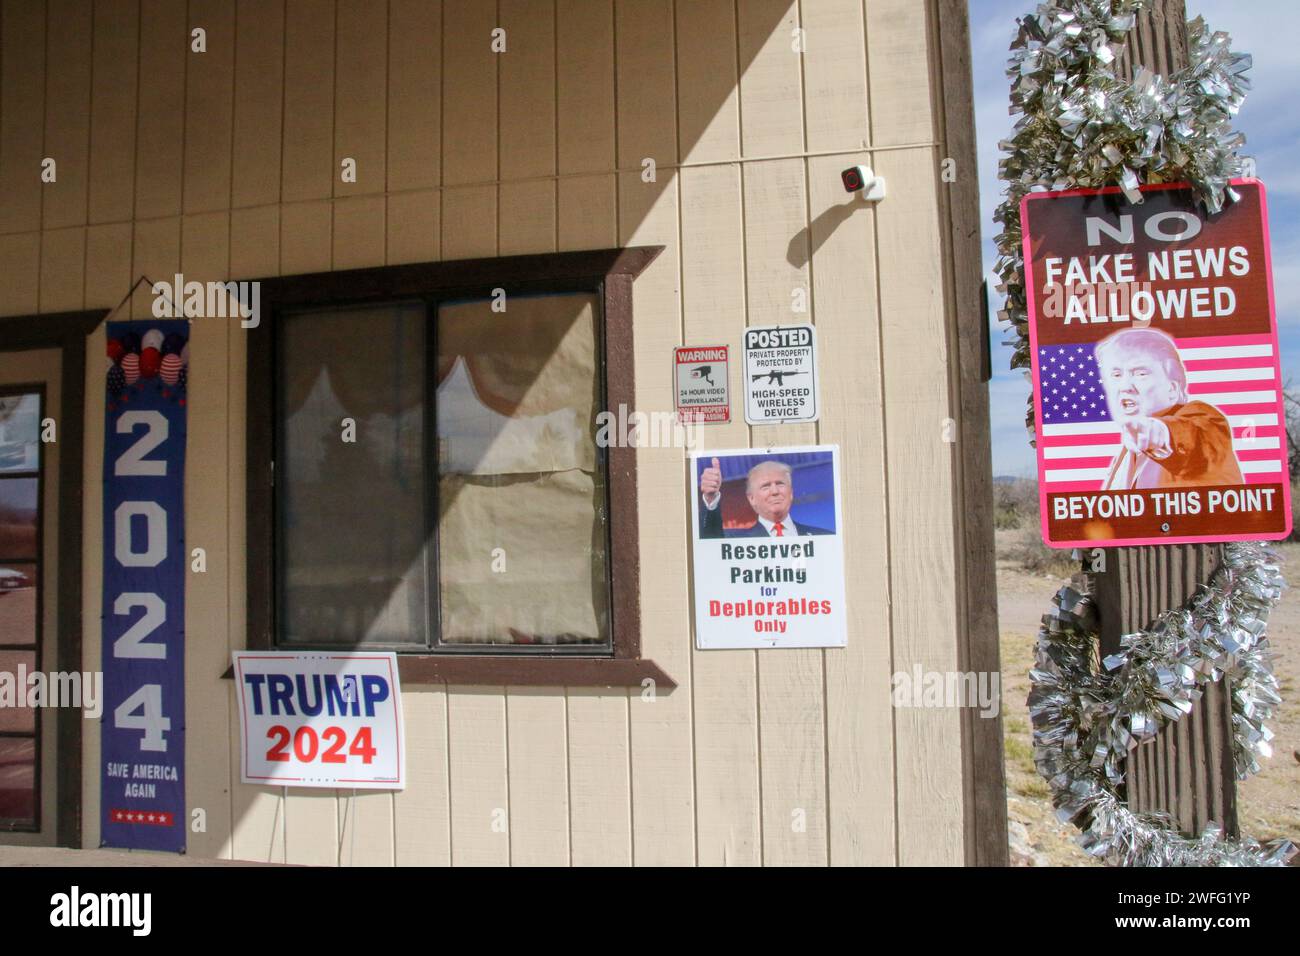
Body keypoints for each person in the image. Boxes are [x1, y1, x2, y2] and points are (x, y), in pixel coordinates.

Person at [1095, 327, 1242, 490]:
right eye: (1116, 375)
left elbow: (1196, 437)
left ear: (1172, 389)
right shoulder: (1125, 455)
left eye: (1140, 373)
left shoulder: (1203, 420)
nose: (1125, 386)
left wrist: (1162, 433)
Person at [698, 458, 832, 538]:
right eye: (766, 486)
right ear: (751, 499)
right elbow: (710, 538)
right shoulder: (734, 539)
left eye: (780, 483)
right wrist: (711, 499)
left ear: (791, 493)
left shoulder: (824, 537)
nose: (774, 491)